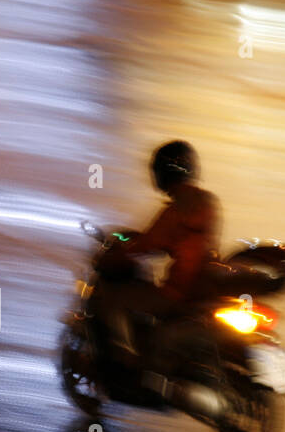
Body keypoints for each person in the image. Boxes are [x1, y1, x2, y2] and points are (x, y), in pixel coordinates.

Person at [94, 140, 221, 376]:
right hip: (203, 288)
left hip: (178, 291)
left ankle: (128, 360)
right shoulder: (208, 202)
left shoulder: (176, 210)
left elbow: (148, 244)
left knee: (114, 300)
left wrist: (118, 256)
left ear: (162, 173)